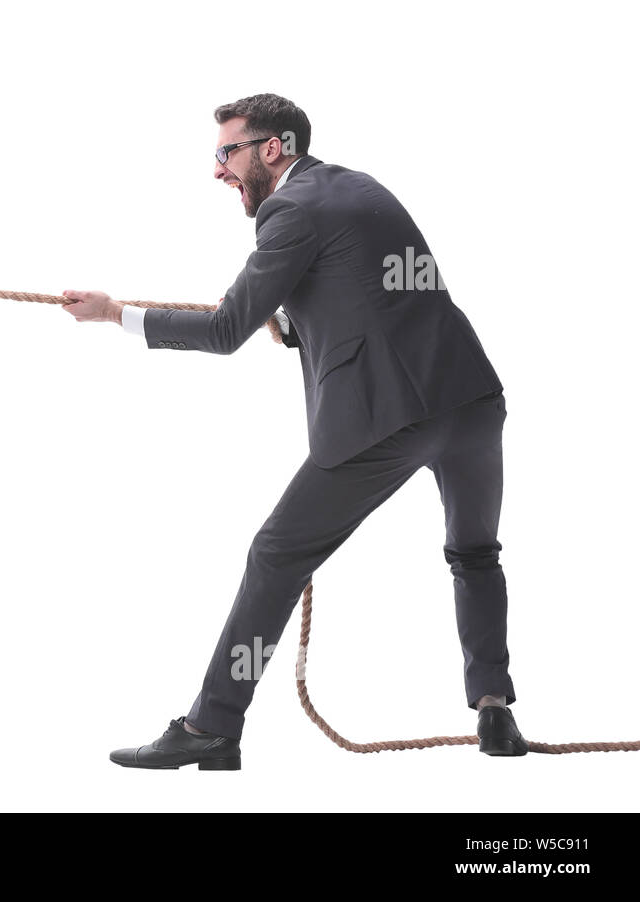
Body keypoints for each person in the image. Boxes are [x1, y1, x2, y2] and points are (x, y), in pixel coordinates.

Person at [60, 93, 525, 770]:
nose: (218, 170)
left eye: (228, 152)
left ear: (272, 148)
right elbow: (371, 295)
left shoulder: (288, 210)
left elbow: (223, 332)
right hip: (473, 401)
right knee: (475, 553)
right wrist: (290, 325)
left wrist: (117, 315)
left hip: (386, 420)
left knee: (276, 557)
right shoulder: (355, 187)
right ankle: (496, 712)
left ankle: (212, 726)